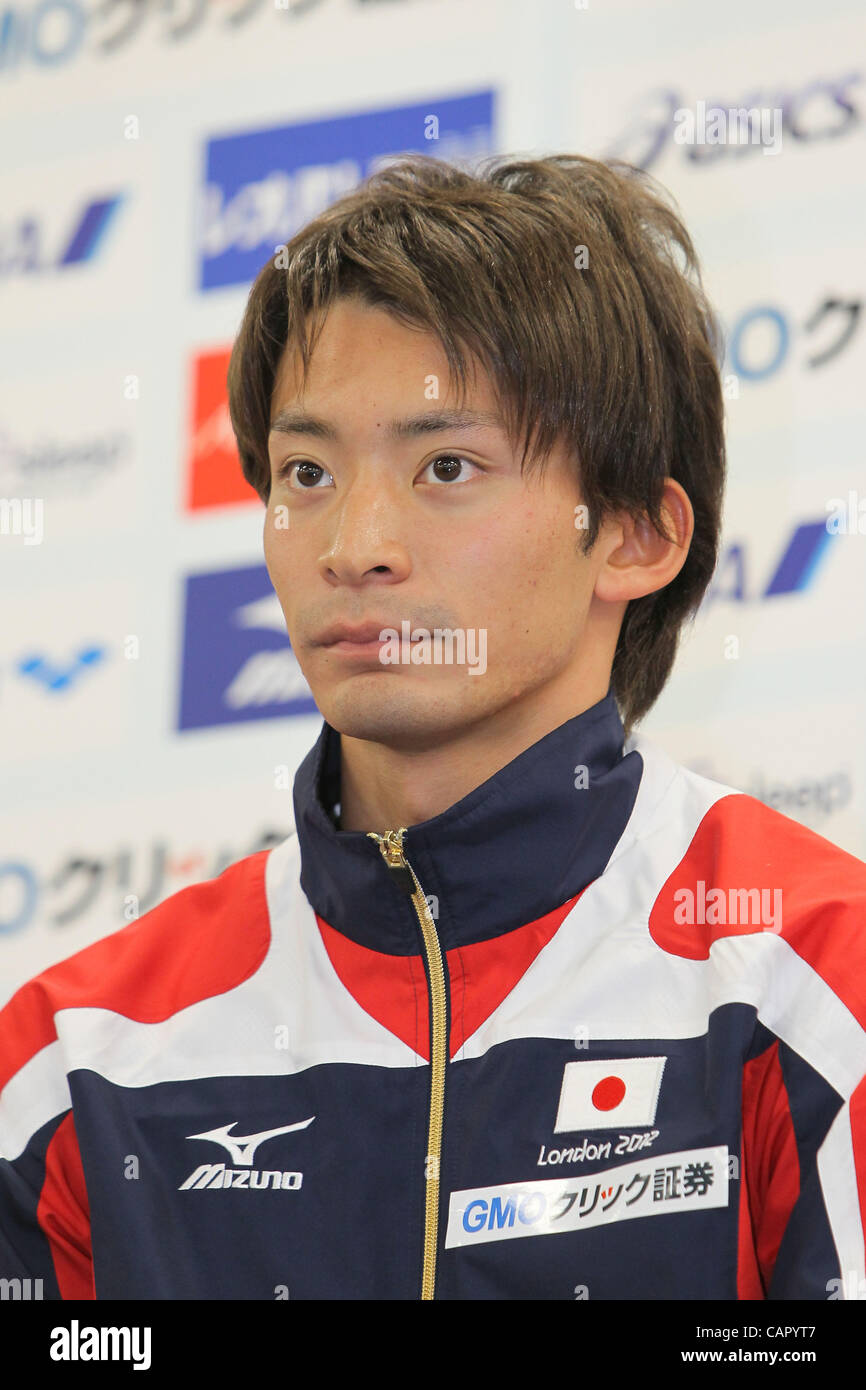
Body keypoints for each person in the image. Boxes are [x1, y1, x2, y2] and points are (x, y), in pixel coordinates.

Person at [1, 154, 864, 1301]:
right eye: (304, 471)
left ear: (631, 536)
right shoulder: (74, 1060)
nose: (352, 543)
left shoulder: (810, 981)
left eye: (444, 466)